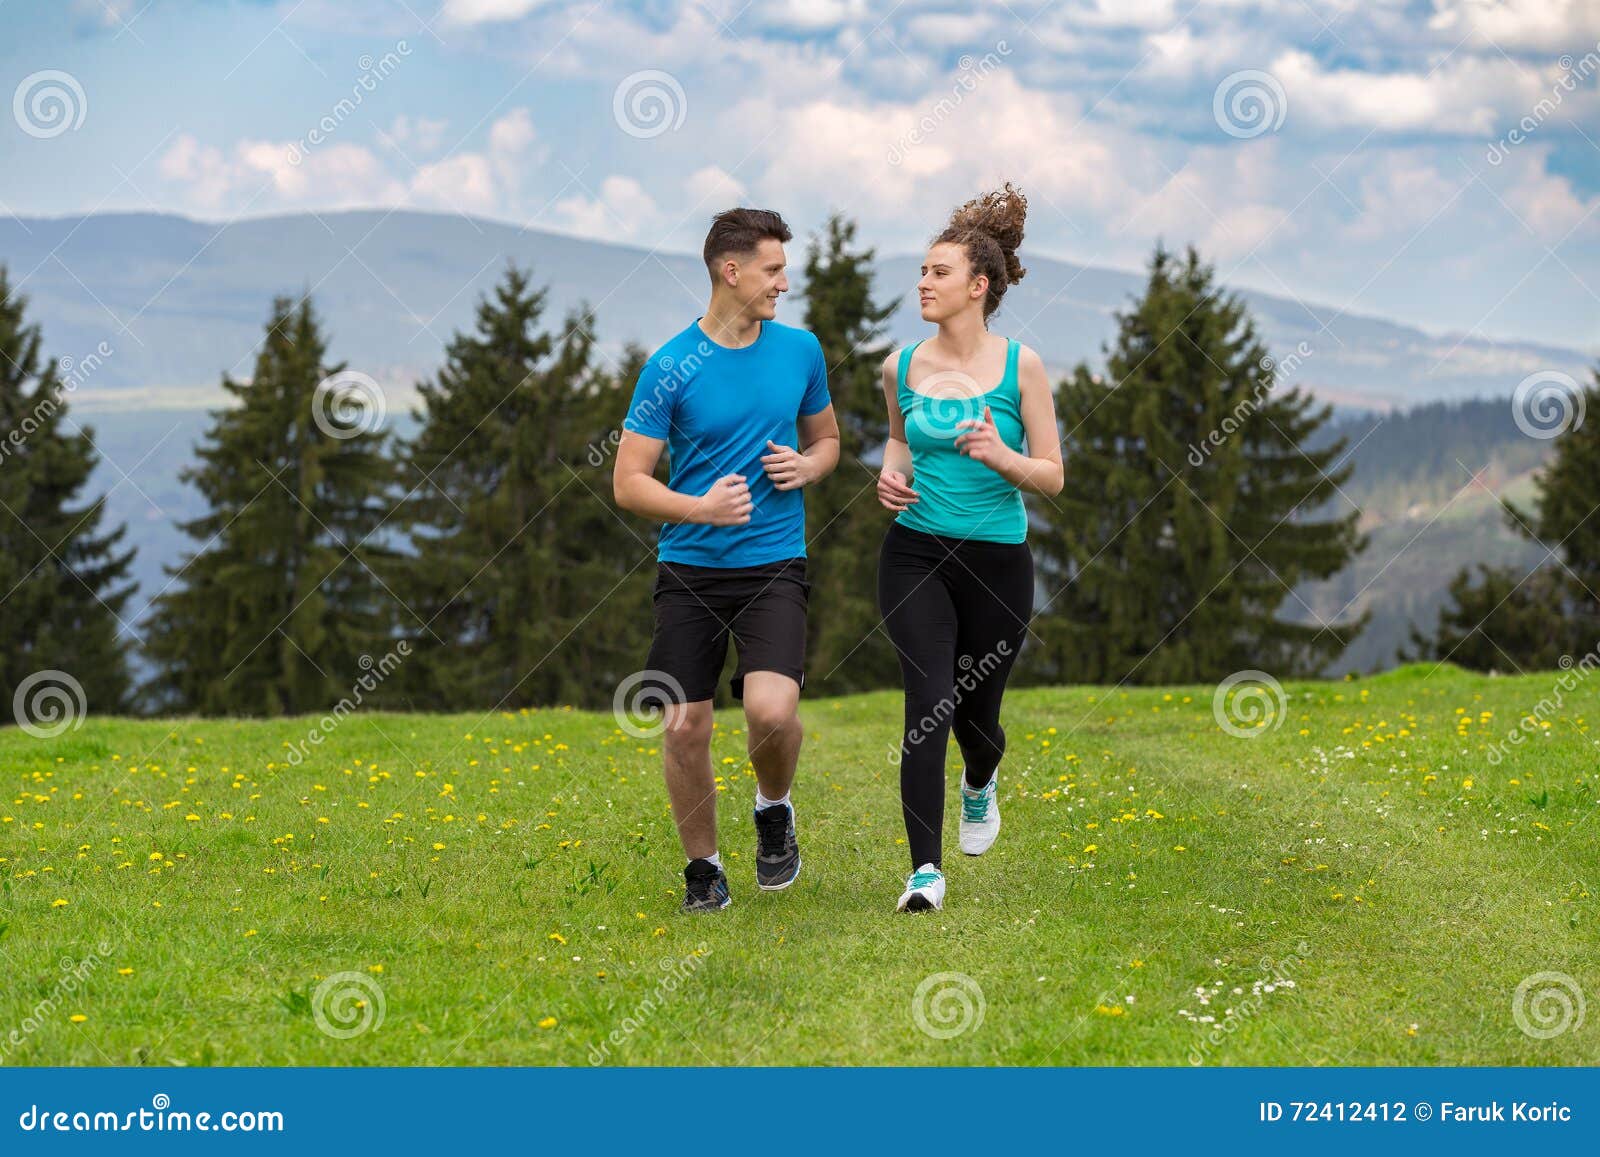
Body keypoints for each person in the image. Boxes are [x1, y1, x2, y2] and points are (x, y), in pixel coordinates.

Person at [614, 208, 840, 913]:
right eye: (773, 269)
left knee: (771, 712)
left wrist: (808, 467)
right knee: (684, 724)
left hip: (775, 562)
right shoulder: (669, 365)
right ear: (730, 270)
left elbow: (828, 440)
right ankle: (704, 868)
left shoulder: (800, 351)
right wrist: (701, 509)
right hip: (691, 568)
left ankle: (774, 807)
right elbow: (629, 481)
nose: (784, 281)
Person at [875, 183, 1064, 912]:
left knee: (975, 719)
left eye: (938, 272)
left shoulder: (1024, 367)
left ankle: (980, 779)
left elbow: (1050, 474)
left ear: (979, 286)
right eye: (921, 271)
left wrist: (1001, 457)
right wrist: (890, 481)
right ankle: (925, 871)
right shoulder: (902, 367)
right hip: (915, 553)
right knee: (927, 700)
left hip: (997, 563)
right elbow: (898, 440)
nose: (923, 282)